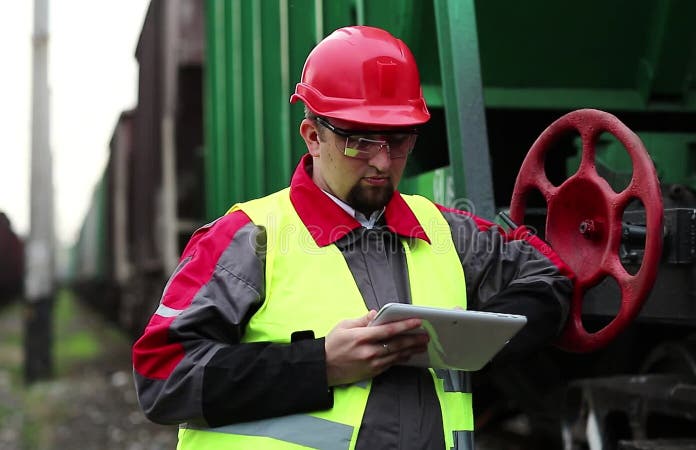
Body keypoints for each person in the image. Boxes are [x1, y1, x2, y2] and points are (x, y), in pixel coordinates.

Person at [132, 25, 572, 450]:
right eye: (360, 141)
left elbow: (548, 276)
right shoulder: (248, 239)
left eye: (397, 141)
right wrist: (319, 364)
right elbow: (161, 376)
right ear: (313, 137)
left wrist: (479, 343)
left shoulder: (447, 232)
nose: (382, 162)